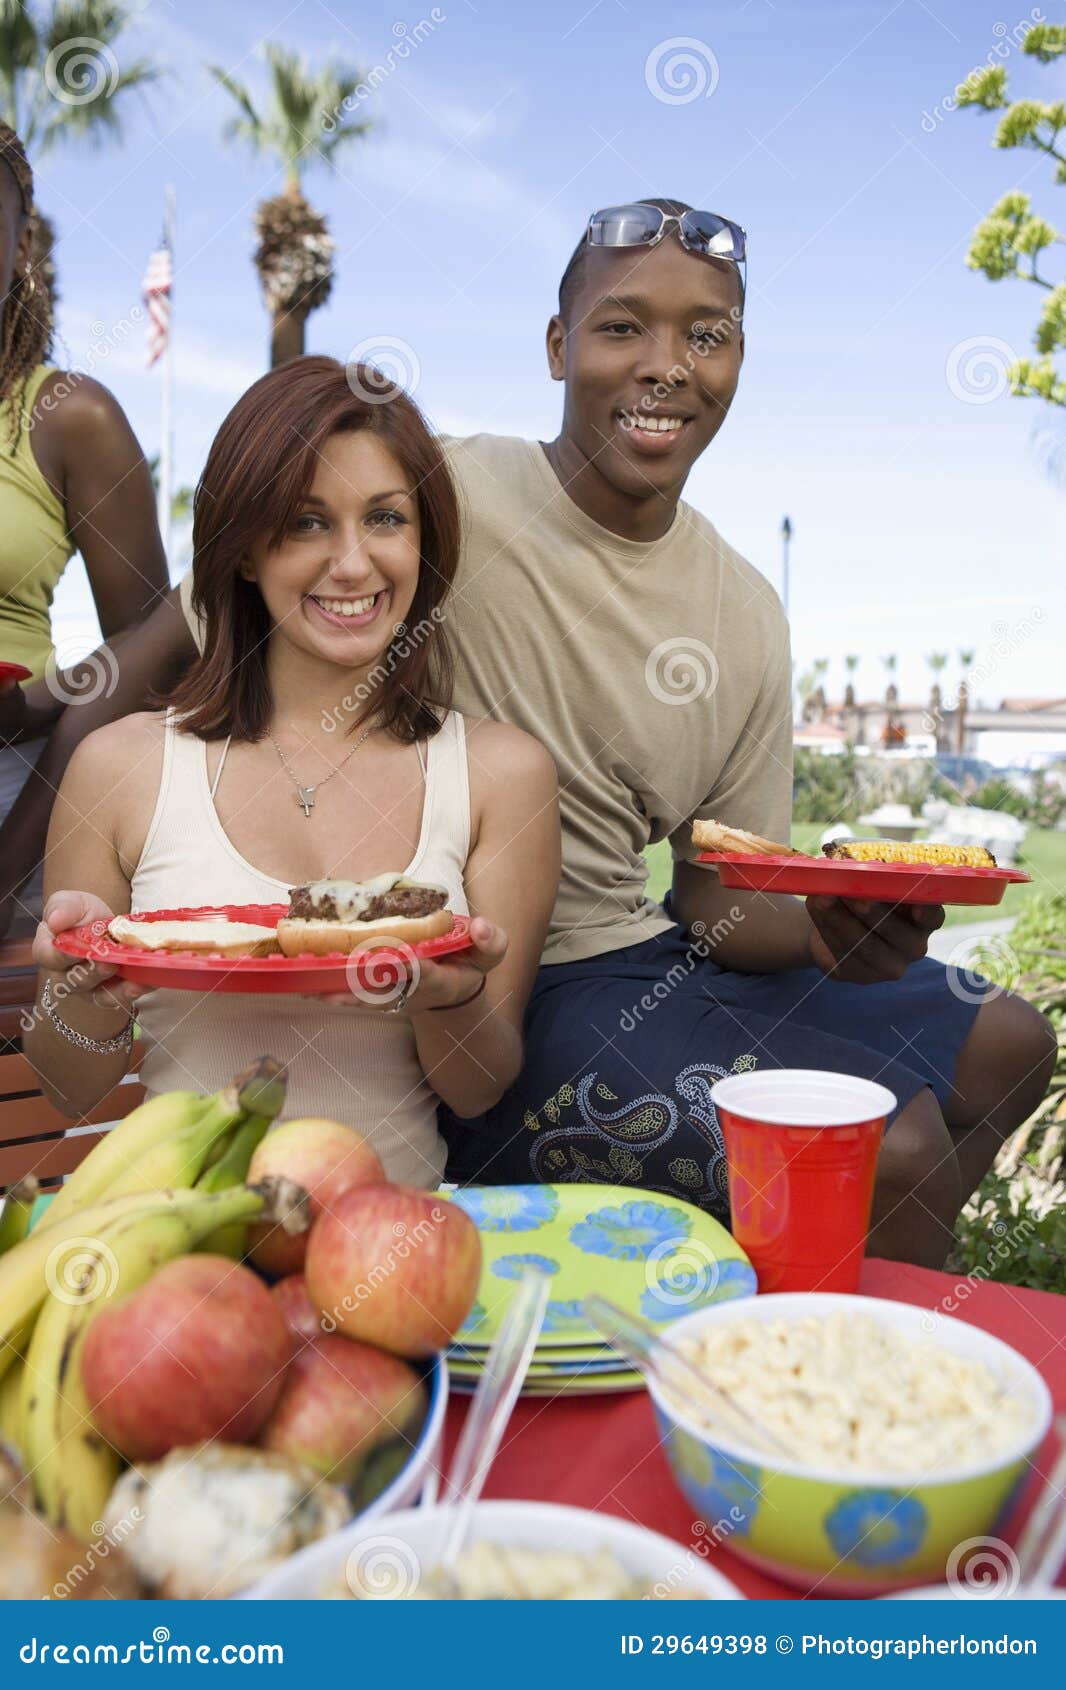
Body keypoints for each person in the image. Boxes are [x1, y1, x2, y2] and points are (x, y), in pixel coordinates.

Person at [26, 201, 1057, 1267]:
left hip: (638, 956)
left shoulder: (741, 609)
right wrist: (44, 767)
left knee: (1014, 1046)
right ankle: (801, 1315)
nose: (666, 365)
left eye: (707, 333)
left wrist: (831, 925)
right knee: (892, 1146)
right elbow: (168, 645)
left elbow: (715, 896)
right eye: (622, 328)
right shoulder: (430, 485)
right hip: (539, 988)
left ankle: (822, 1284)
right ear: (559, 346)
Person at [26, 357, 559, 1187]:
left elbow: (480, 1084)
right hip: (177, 1252)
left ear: (426, 538)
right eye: (307, 523)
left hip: (395, 1262)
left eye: (385, 518)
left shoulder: (502, 774)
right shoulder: (119, 768)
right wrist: (82, 998)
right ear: (242, 551)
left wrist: (445, 997)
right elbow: (69, 1083)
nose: (352, 565)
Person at [0, 121, 169, 939]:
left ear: (21, 243)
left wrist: (39, 705)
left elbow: (157, 648)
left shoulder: (71, 416)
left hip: (13, 795)